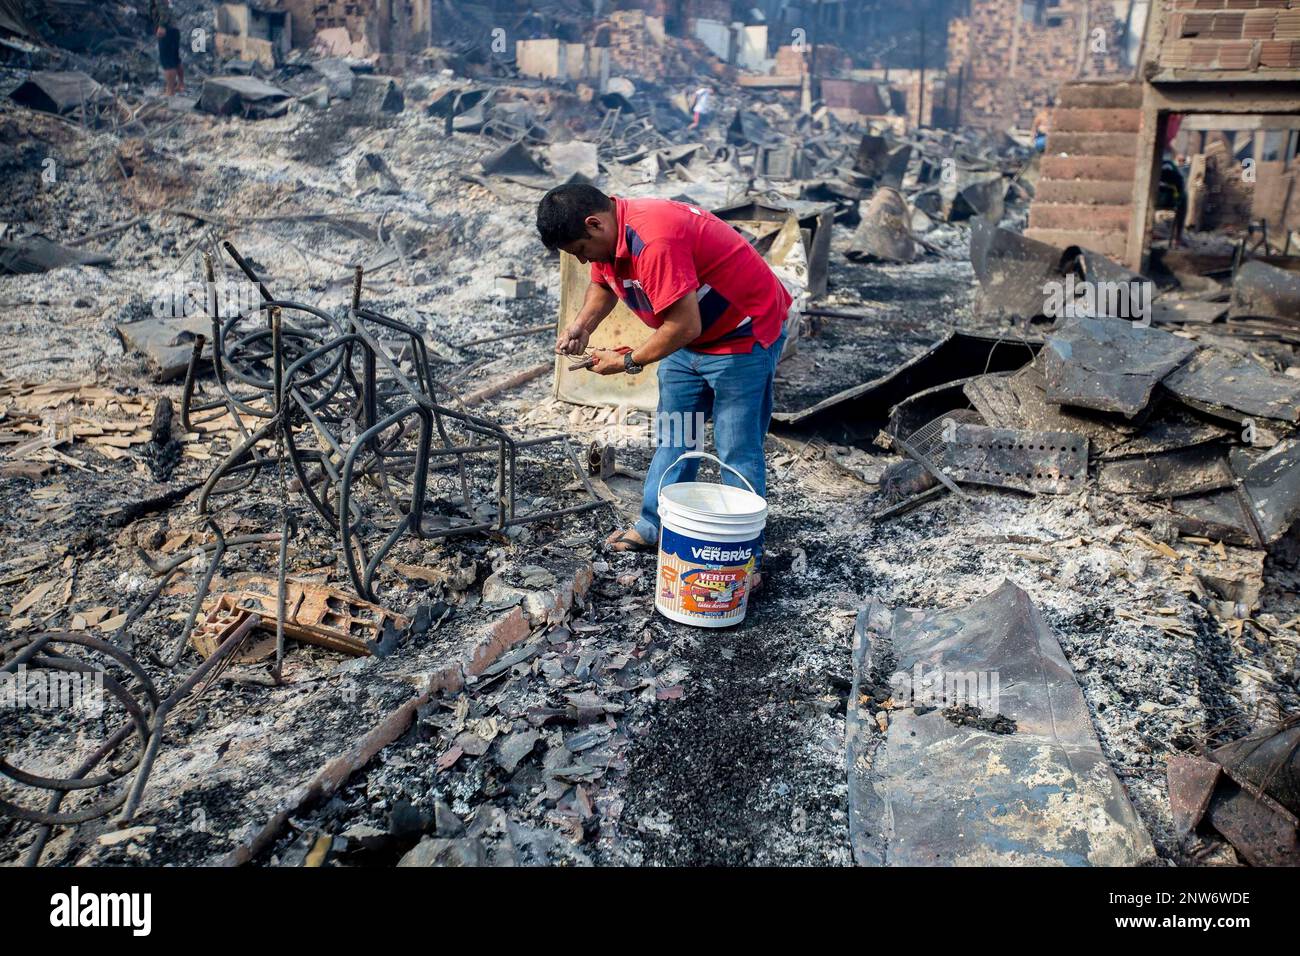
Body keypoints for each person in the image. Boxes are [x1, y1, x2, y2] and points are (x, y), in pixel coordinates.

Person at [537, 184, 791, 580]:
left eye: (580, 251)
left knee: (736, 448)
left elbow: (686, 324)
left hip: (741, 339)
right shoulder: (610, 236)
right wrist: (581, 326)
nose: (584, 260)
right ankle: (654, 526)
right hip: (689, 346)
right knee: (678, 436)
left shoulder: (654, 241)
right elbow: (602, 283)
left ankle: (744, 554)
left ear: (594, 224)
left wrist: (627, 361)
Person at [150, 0, 185, 97]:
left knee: (167, 62)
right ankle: (181, 85)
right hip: (174, 29)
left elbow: (164, 11)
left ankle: (170, 91)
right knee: (175, 59)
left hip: (166, 30)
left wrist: (161, 26)